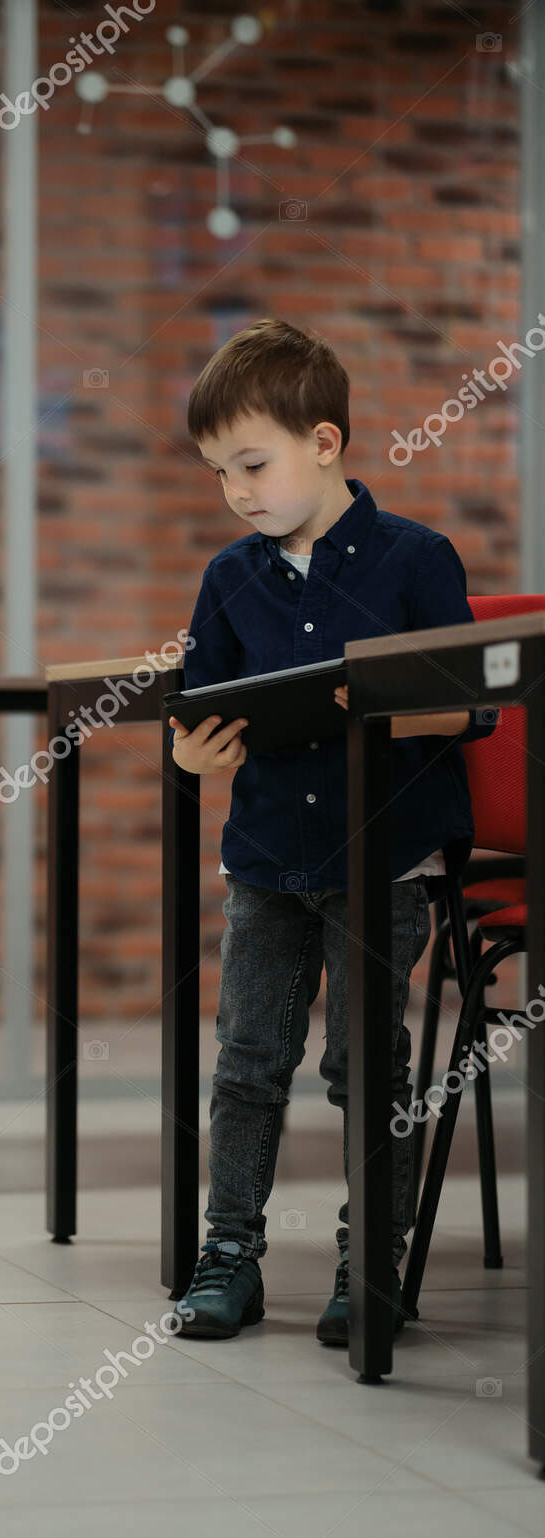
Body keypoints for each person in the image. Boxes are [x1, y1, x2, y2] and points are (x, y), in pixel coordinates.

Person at [167, 318, 496, 1346]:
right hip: (264, 856)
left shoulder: (414, 558)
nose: (238, 491)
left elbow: (469, 707)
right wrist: (188, 755)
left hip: (381, 854)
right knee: (245, 1062)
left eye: (252, 463)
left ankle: (373, 1267)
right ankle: (228, 1258)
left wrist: (384, 699)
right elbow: (197, 705)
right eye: (219, 473)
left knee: (366, 1067)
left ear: (324, 441)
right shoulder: (229, 577)